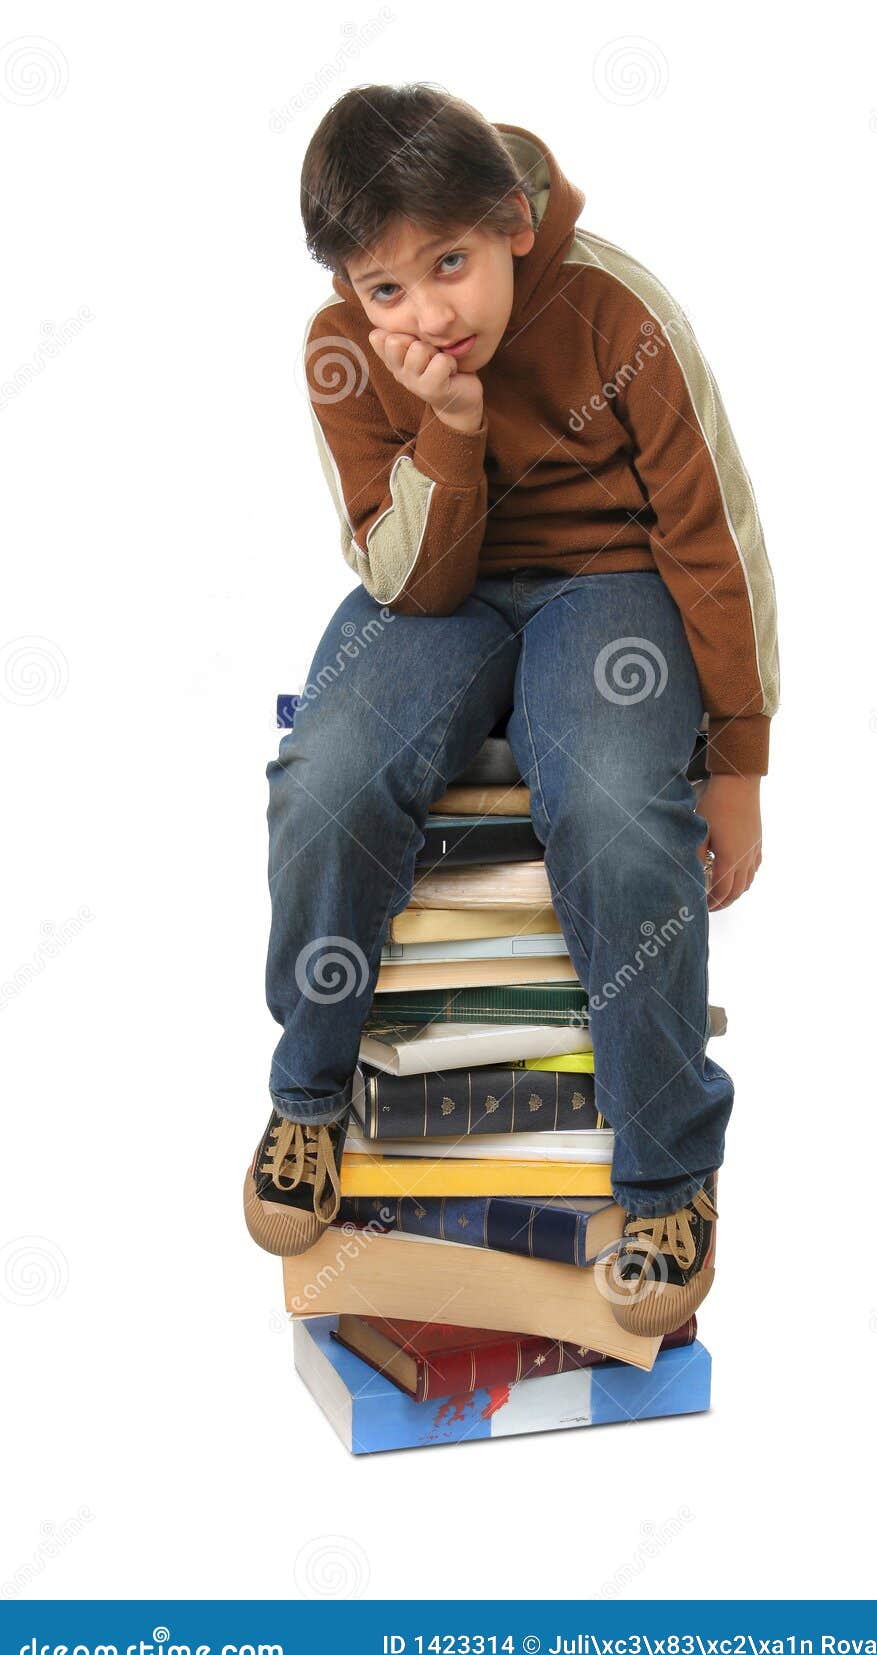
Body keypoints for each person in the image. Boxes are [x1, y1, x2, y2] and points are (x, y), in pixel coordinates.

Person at [243, 82, 779, 1336]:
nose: (426, 313)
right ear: (349, 291)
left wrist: (741, 758)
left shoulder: (616, 310)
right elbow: (407, 576)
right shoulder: (346, 356)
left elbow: (714, 536)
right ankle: (308, 1095)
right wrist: (447, 427)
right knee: (323, 772)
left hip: (614, 580)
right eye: (387, 289)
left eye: (450, 264)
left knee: (609, 806)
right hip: (442, 581)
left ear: (514, 225)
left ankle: (664, 1173)